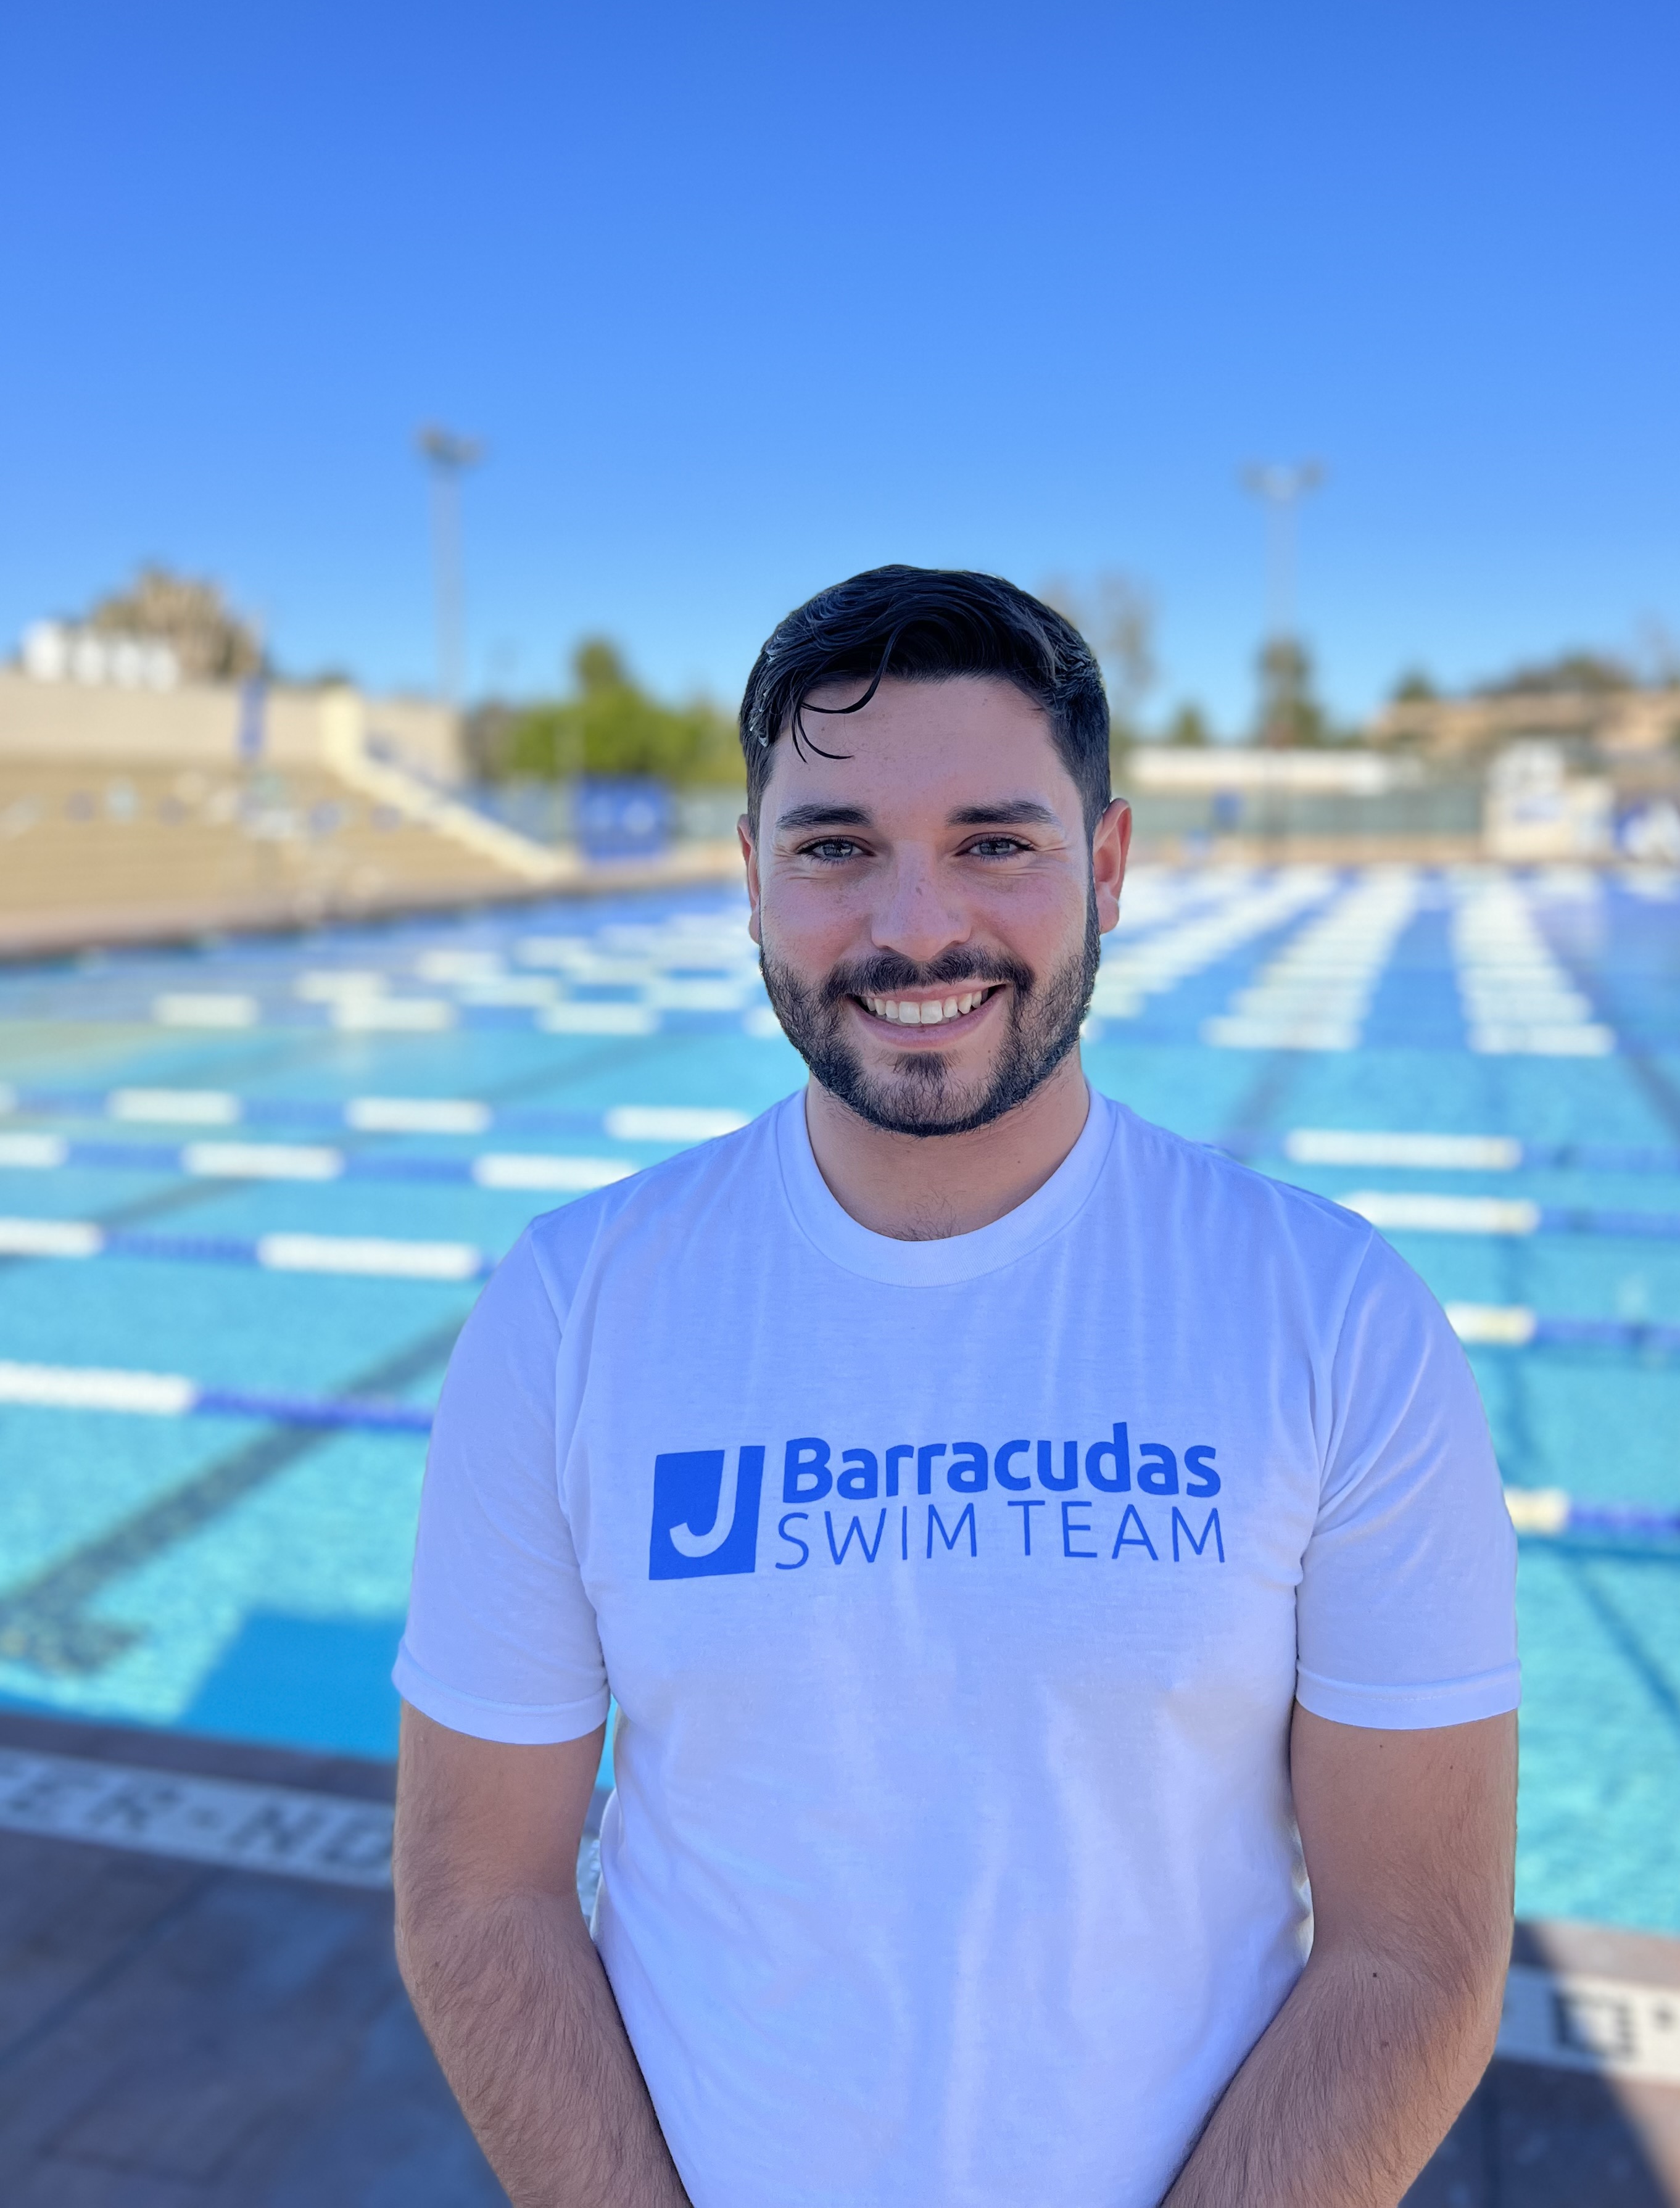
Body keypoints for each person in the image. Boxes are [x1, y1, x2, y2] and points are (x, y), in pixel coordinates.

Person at [392, 566, 1520, 2208]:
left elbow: (1415, 1947)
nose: (916, 928)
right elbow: (477, 1897)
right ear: (753, 881)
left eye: (995, 842)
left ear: (1108, 868)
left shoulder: (1334, 1318)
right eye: (836, 847)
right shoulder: (572, 1311)